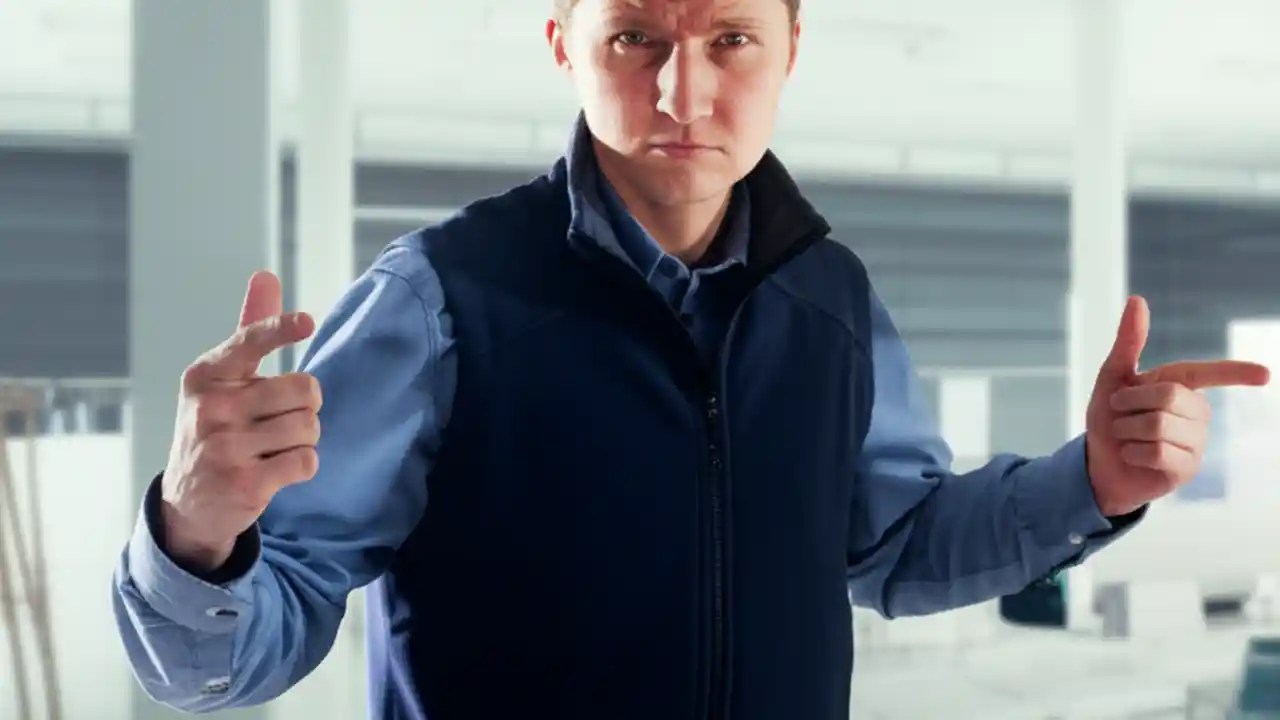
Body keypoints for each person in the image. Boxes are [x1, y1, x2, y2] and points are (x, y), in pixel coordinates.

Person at [110, 0, 1270, 718]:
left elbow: (895, 546)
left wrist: (1095, 483)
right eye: (634, 37)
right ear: (564, 41)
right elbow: (221, 659)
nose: (683, 90)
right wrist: (196, 531)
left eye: (729, 37)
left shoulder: (831, 300)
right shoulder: (443, 298)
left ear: (790, 43)